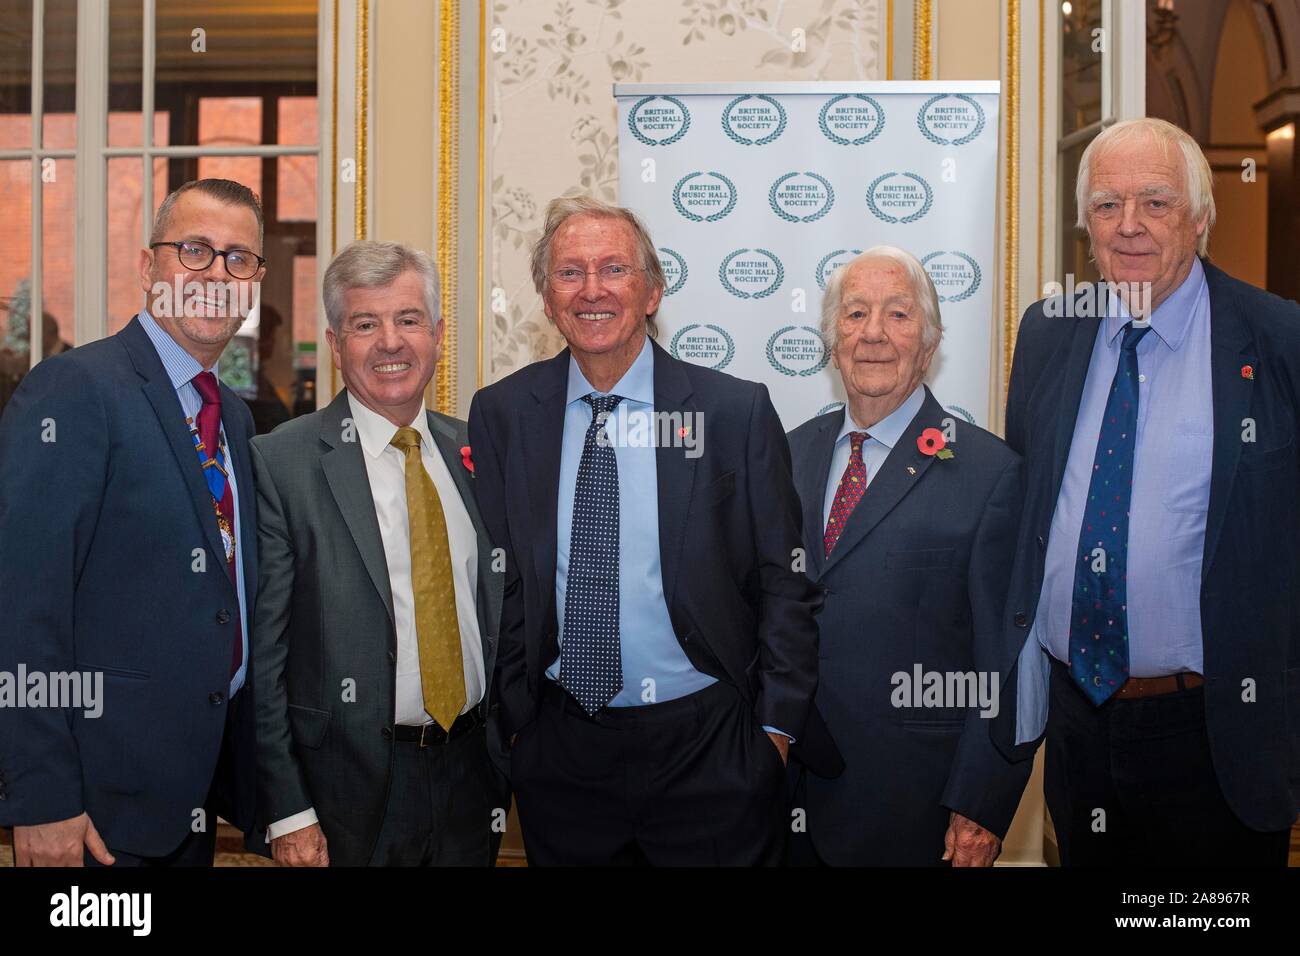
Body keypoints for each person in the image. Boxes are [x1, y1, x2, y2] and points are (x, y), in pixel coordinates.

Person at [468, 196, 821, 865]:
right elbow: (504, 578)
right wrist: (520, 725)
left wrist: (772, 734)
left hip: (710, 746)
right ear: (547, 298)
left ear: (653, 289)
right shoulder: (505, 413)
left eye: (614, 270)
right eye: (570, 273)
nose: (592, 290)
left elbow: (785, 579)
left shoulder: (732, 412)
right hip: (563, 749)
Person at [997, 117, 1300, 866]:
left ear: (1201, 217)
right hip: (1079, 724)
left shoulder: (1278, 339)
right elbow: (1028, 509)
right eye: (1106, 205)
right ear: (1085, 224)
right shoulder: (1046, 333)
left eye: (1155, 202)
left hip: (1217, 731)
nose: (1128, 225)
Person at [0, 178, 266, 865]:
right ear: (149, 268)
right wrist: (41, 797)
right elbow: (21, 606)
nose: (216, 274)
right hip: (91, 815)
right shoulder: (76, 390)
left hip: (190, 800)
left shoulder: (233, 417)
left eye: (239, 259)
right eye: (196, 250)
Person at [251, 241, 509, 866]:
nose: (390, 342)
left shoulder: (479, 453)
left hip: (474, 775)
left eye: (408, 320)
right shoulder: (282, 462)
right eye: (365, 325)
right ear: (337, 346)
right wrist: (287, 809)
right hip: (345, 789)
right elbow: (264, 658)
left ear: (438, 335)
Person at [786, 247, 1030, 866]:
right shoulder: (785, 457)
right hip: (783, 797)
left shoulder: (988, 473)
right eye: (855, 313)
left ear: (930, 341)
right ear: (831, 338)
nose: (872, 333)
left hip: (916, 809)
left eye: (897, 314)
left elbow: (1008, 659)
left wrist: (980, 801)